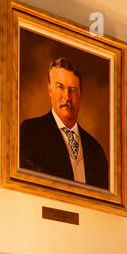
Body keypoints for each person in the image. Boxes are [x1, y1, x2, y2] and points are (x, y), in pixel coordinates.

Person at [18, 57, 110, 189]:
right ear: (50, 89)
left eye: (72, 90)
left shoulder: (96, 150)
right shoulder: (30, 132)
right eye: (60, 87)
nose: (67, 97)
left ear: (80, 95)